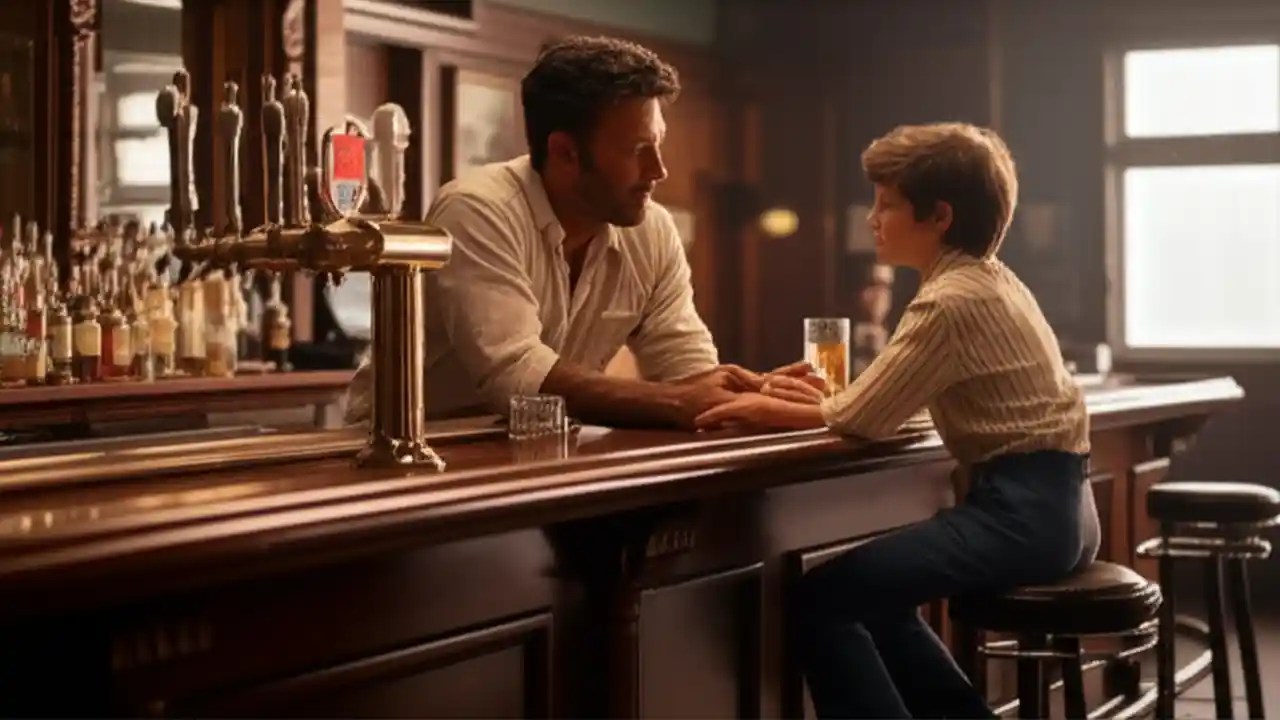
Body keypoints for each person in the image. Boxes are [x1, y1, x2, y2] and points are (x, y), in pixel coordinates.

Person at [697, 122, 1101, 718]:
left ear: (939, 216)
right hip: (1063, 511)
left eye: (886, 204)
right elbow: (887, 404)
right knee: (875, 600)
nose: (872, 219)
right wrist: (793, 398)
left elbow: (861, 419)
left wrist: (762, 406)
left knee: (821, 601)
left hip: (1022, 514)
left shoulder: (949, 299)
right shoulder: (993, 280)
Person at [345, 36, 812, 428]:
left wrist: (752, 394)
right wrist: (679, 402)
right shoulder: (477, 209)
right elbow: (516, 375)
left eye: (659, 146)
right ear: (565, 153)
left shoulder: (652, 229)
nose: (659, 171)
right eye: (638, 150)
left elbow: (685, 364)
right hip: (417, 452)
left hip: (536, 447)